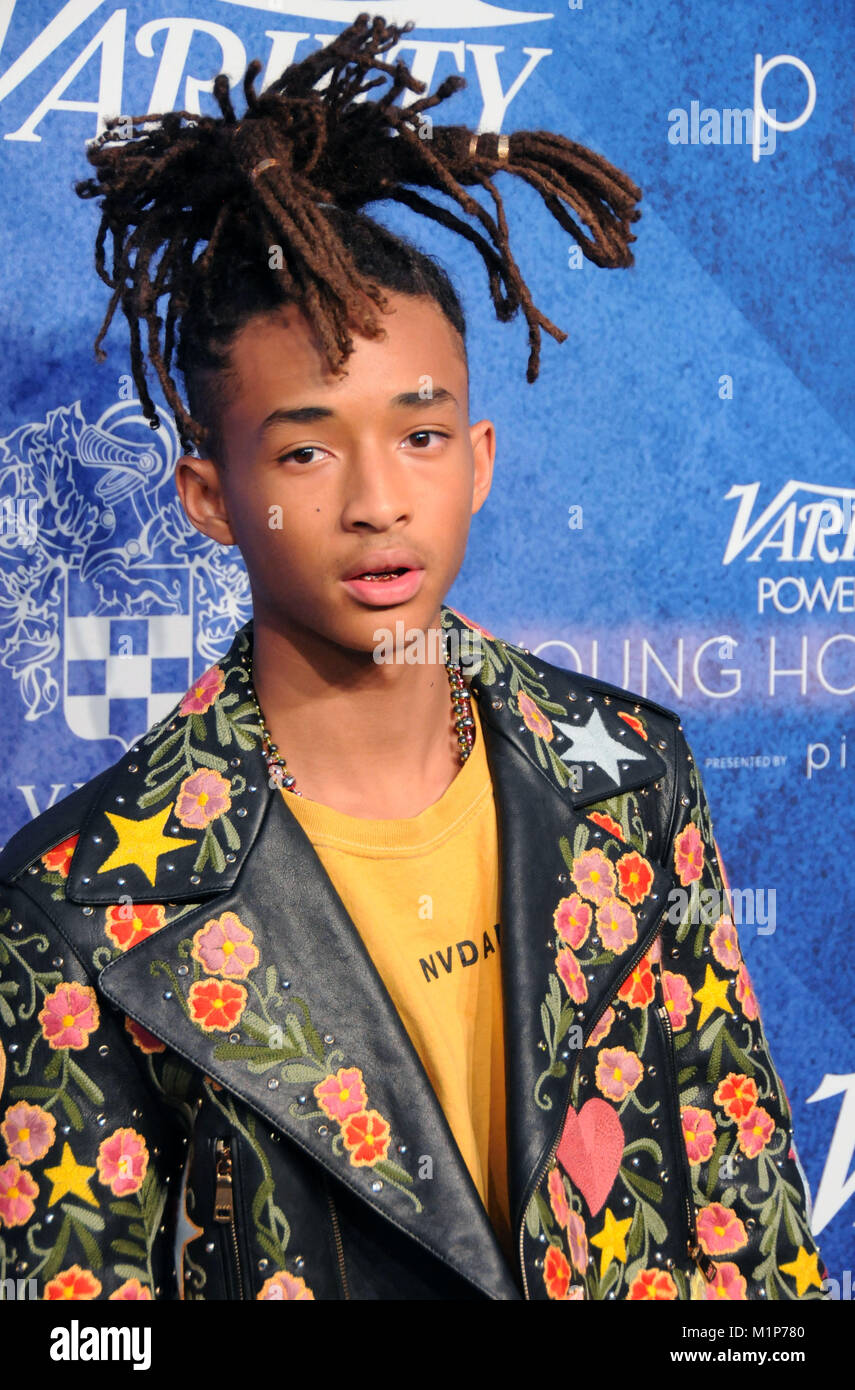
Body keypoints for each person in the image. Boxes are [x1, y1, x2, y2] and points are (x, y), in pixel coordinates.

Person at [0, 14, 827, 1301]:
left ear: (482, 460)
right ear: (212, 497)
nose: (380, 500)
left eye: (422, 437)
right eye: (309, 450)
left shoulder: (632, 775)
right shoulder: (78, 902)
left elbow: (750, 1232)